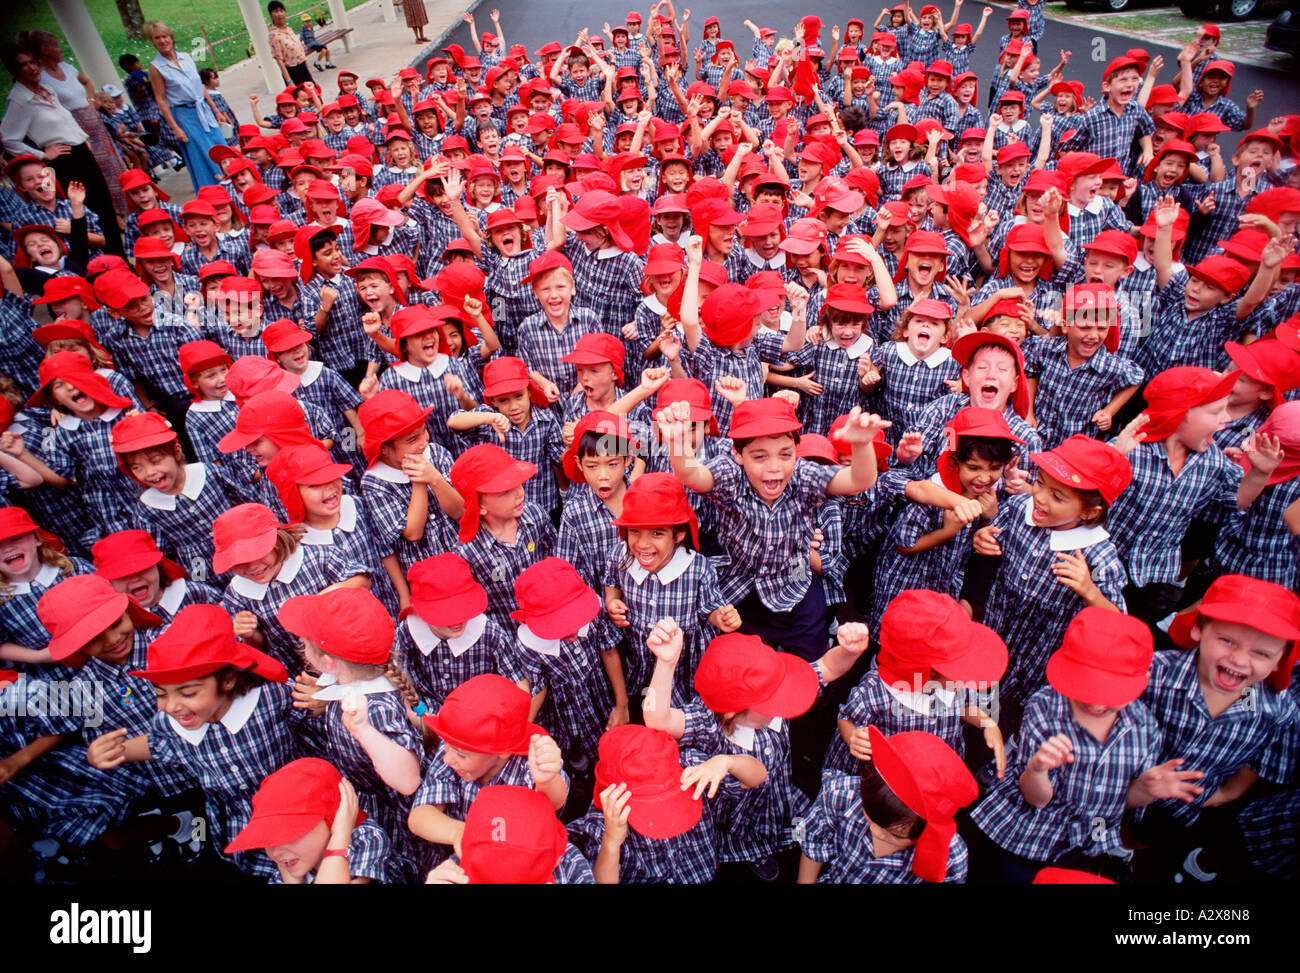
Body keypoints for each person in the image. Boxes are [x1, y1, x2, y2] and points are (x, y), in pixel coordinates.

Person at [0, 46, 124, 256]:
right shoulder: (19, 99)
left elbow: (65, 119)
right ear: (15, 71)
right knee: (86, 209)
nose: (31, 68)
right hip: (62, 161)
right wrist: (43, 155)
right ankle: (103, 261)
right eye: (24, 65)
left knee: (105, 206)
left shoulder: (47, 89)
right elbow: (9, 139)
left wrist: (81, 138)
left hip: (80, 152)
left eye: (32, 62)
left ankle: (120, 259)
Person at [24, 30, 130, 221]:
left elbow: (87, 82)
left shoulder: (68, 67)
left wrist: (91, 101)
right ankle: (113, 216)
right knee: (96, 173)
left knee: (112, 165)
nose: (60, 49)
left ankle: (127, 207)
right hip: (74, 127)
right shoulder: (41, 78)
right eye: (55, 46)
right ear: (44, 50)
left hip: (93, 122)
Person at [142, 21, 225, 192]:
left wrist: (216, 110)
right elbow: (161, 99)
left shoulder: (186, 58)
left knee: (220, 147)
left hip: (203, 110)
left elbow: (200, 86)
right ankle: (213, 192)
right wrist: (175, 127)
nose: (162, 41)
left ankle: (231, 184)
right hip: (184, 114)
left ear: (171, 37)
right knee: (202, 154)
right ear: (153, 41)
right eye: (157, 38)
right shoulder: (156, 67)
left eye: (164, 36)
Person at [266, 2, 314, 87]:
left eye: (281, 11)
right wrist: (289, 81)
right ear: (271, 15)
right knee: (302, 99)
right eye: (276, 11)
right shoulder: (273, 35)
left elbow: (299, 51)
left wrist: (308, 71)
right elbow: (279, 59)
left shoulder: (289, 29)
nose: (280, 14)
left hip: (303, 68)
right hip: (292, 72)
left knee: (315, 95)